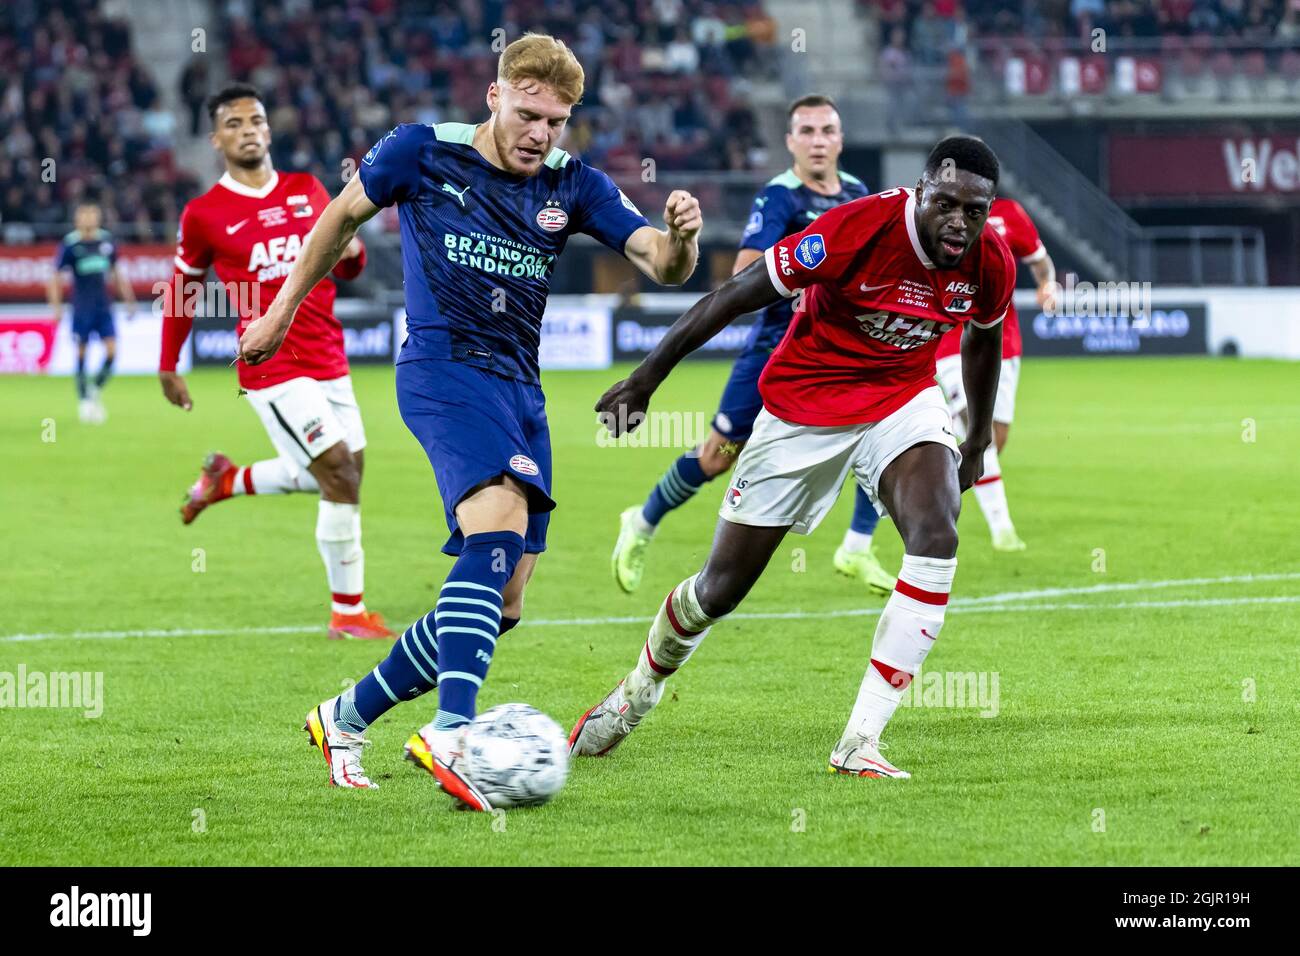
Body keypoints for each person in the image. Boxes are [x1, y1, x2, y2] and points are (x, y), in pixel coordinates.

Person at [235, 34, 703, 808]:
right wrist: (282, 310)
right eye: (527, 114)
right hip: (443, 368)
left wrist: (682, 239)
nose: (539, 134)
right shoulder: (420, 151)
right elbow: (340, 217)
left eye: (556, 122)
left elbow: (659, 259)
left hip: (522, 389)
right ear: (494, 96)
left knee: (507, 596)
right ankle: (454, 730)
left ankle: (344, 718)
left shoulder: (573, 184)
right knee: (496, 528)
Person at [571, 136, 1015, 780]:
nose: (959, 221)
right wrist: (646, 380)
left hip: (900, 399)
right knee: (719, 590)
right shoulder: (853, 230)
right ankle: (637, 690)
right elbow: (734, 295)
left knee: (937, 532)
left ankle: (861, 741)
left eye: (974, 211)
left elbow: (983, 338)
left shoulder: (989, 260)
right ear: (920, 192)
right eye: (945, 203)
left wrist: (974, 441)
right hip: (804, 405)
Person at [611, 94, 895, 596]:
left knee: (877, 436)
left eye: (827, 130)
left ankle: (857, 546)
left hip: (837, 351)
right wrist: (806, 281)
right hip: (775, 350)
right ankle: (643, 519)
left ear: (841, 139)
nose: (818, 141)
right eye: (806, 132)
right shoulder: (780, 196)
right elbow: (744, 273)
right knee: (718, 456)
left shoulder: (857, 193)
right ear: (790, 141)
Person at [159, 84, 393, 641]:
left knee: (343, 474)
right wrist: (169, 363)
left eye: (256, 120)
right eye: (234, 124)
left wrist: (353, 256)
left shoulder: (307, 190)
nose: (248, 130)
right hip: (271, 363)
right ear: (216, 139)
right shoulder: (204, 214)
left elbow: (344, 266)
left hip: (327, 352)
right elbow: (181, 290)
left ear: (269, 129)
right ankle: (347, 612)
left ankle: (226, 480)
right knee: (337, 470)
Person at [932, 196, 1057, 551]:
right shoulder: (935, 214)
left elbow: (1041, 262)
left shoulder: (1010, 214)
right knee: (976, 429)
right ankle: (1003, 531)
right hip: (949, 339)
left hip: (1001, 339)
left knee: (992, 442)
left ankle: (925, 474)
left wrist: (1048, 284)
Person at [47, 202, 136, 424]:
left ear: (98, 218)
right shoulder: (70, 245)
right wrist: (56, 307)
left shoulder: (106, 241)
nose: (88, 219)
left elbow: (116, 273)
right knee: (81, 354)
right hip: (81, 308)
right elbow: (55, 278)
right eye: (84, 215)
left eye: (92, 215)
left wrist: (128, 299)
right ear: (77, 219)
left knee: (112, 352)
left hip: (103, 307)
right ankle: (84, 401)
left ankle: (94, 387)